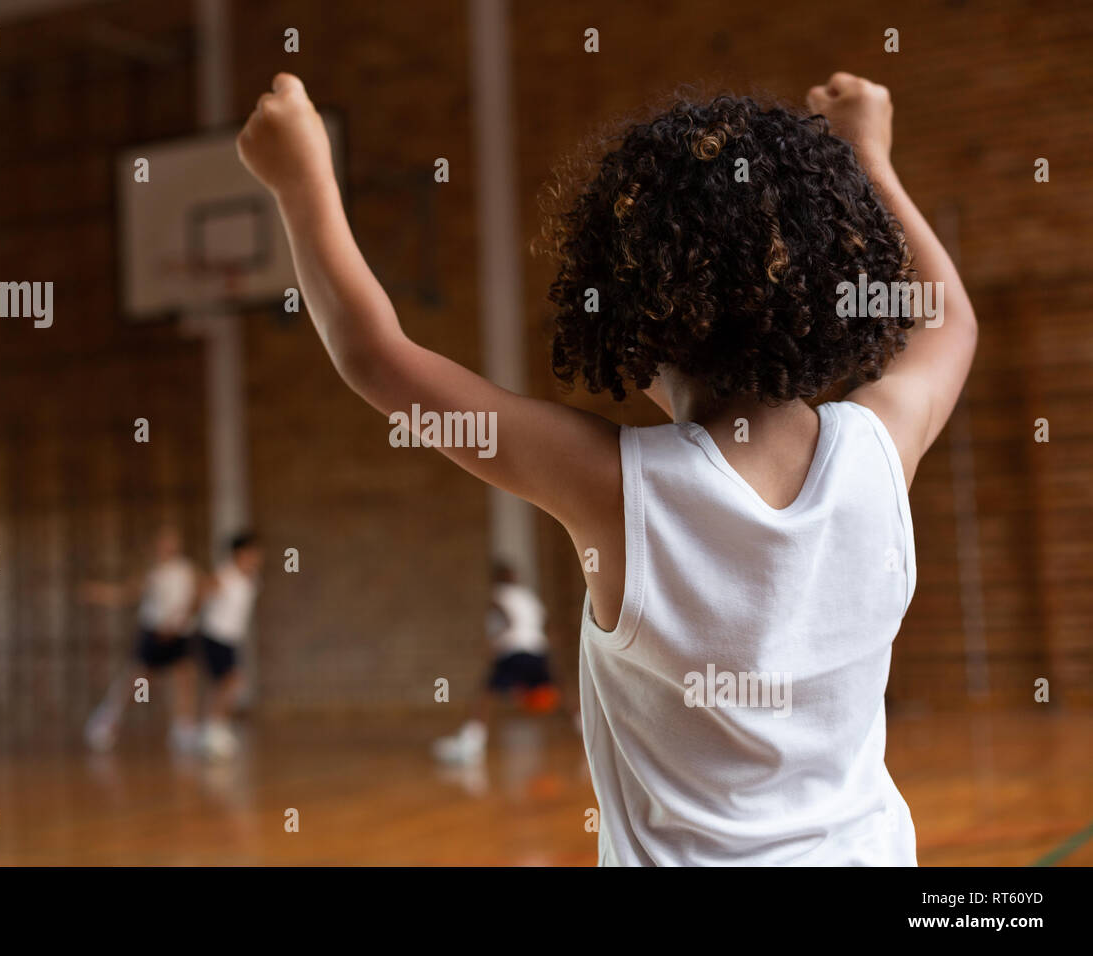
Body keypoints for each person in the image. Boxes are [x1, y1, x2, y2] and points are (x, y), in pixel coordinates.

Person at [236, 71, 977, 864]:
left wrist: (300, 180)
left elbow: (376, 358)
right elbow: (950, 320)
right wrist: (871, 156)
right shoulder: (878, 448)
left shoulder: (619, 486)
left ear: (633, 316)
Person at [84, 524, 199, 753]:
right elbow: (126, 593)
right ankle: (107, 720)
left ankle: (183, 729)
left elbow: (196, 596)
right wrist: (99, 593)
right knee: (139, 682)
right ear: (157, 545)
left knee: (184, 678)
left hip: (178, 633)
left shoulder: (186, 569)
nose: (169, 545)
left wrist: (182, 618)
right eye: (165, 541)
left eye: (173, 541)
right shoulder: (152, 572)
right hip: (154, 633)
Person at [433, 561, 560, 764]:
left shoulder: (498, 595)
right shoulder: (528, 597)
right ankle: (585, 727)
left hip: (513, 650)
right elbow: (546, 622)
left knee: (484, 695)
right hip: (537, 649)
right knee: (557, 690)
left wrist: (493, 642)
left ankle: (471, 744)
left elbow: (507, 620)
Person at [194, 532, 262, 760]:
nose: (257, 557)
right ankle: (212, 729)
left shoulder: (250, 578)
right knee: (229, 680)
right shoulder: (224, 576)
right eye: (253, 552)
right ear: (240, 553)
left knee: (227, 683)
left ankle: (216, 727)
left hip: (231, 638)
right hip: (215, 635)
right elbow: (201, 592)